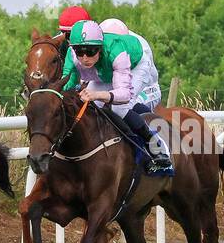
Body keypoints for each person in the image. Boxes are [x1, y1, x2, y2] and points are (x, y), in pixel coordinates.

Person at [61, 20, 173, 172]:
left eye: (91, 51)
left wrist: (96, 94)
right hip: (104, 68)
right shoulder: (72, 56)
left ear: (100, 48)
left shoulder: (116, 51)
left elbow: (124, 94)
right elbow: (66, 86)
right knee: (92, 106)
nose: (85, 58)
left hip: (135, 64)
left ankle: (156, 147)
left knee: (119, 108)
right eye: (80, 51)